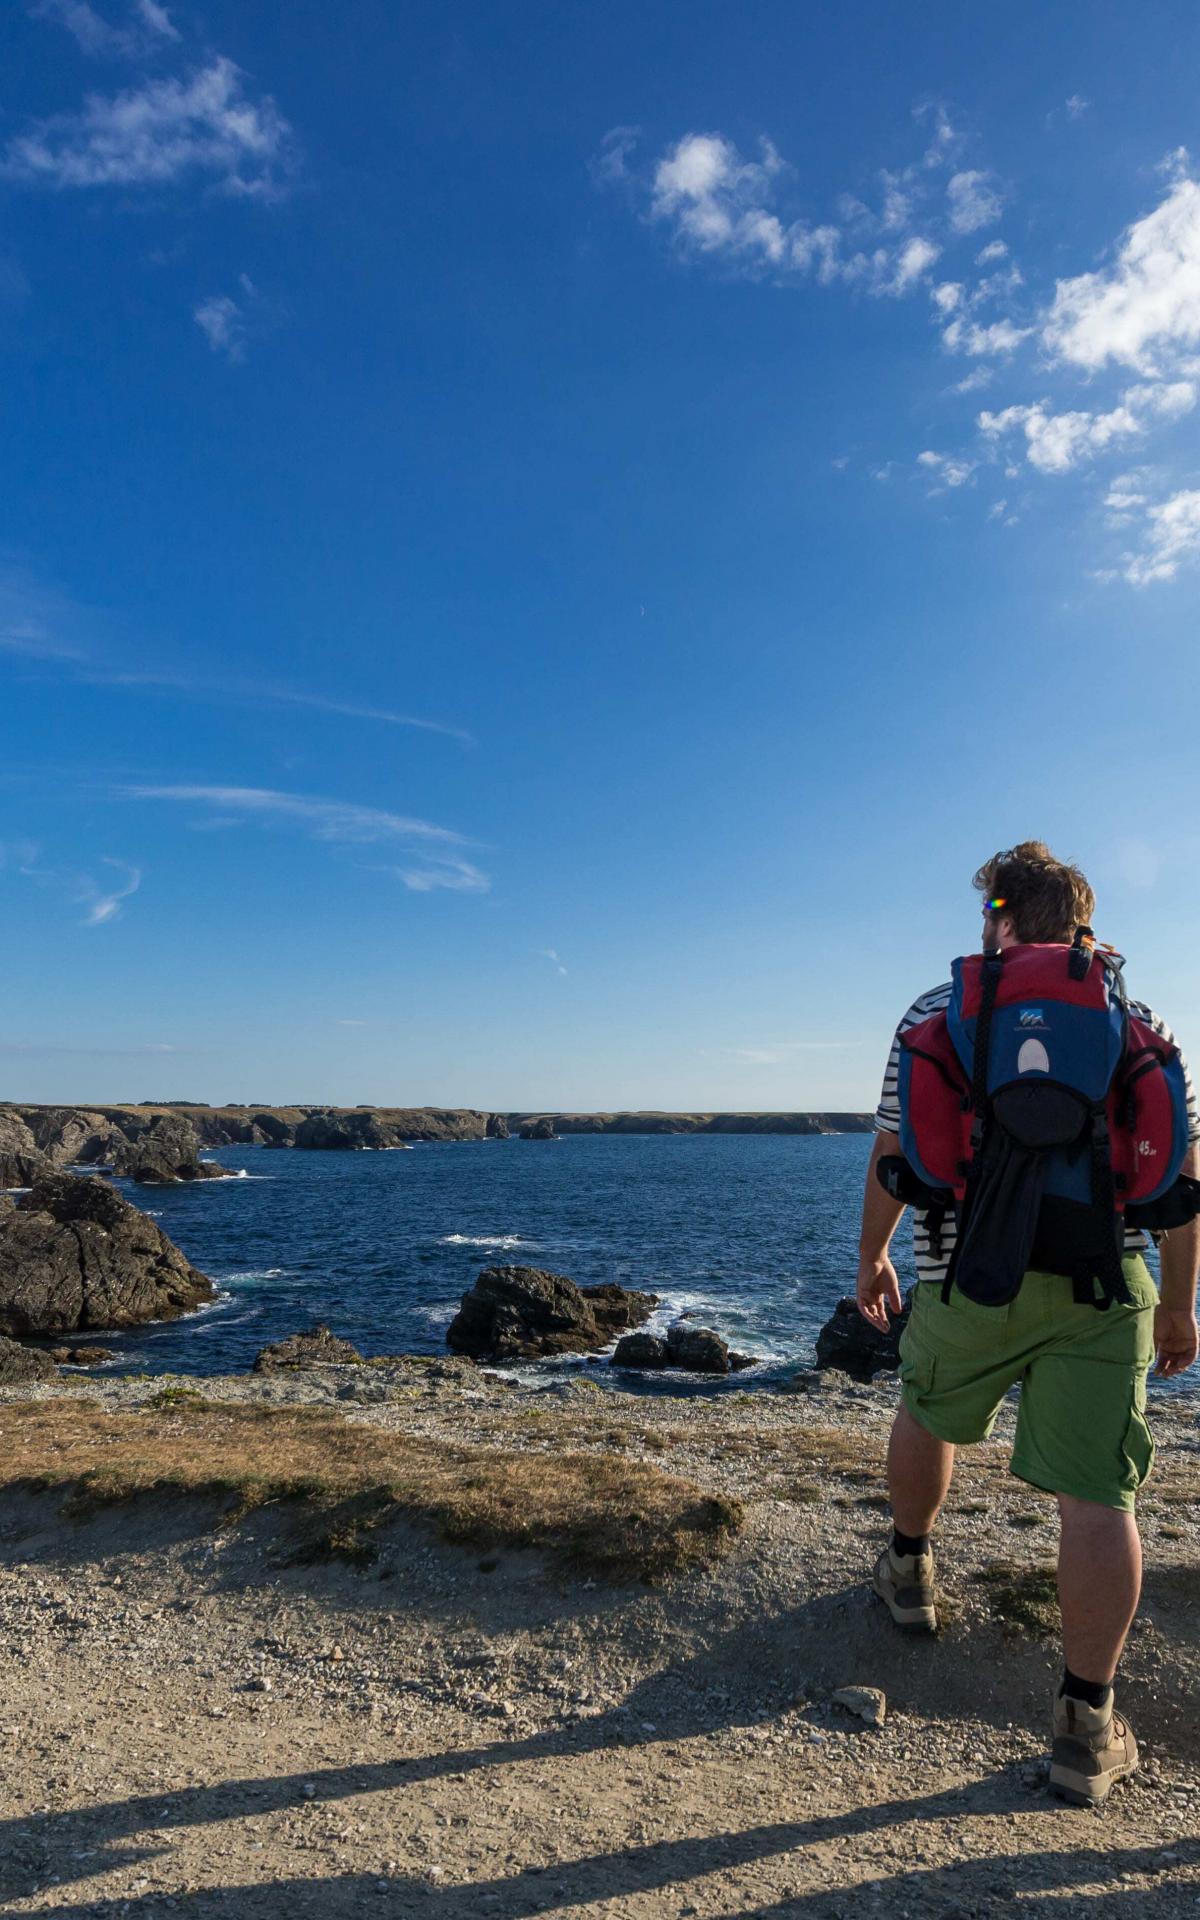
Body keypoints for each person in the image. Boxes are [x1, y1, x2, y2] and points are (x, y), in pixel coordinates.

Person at [856, 841, 1200, 1806]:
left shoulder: (936, 1012)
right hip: (1103, 1283)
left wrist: (872, 1256)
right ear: (1083, 923)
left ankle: (912, 1574)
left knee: (925, 1409)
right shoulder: (1138, 1017)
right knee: (1099, 1495)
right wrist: (1178, 1304)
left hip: (966, 1274)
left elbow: (894, 1144)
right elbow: (1178, 1177)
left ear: (1001, 920)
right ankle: (1085, 1725)